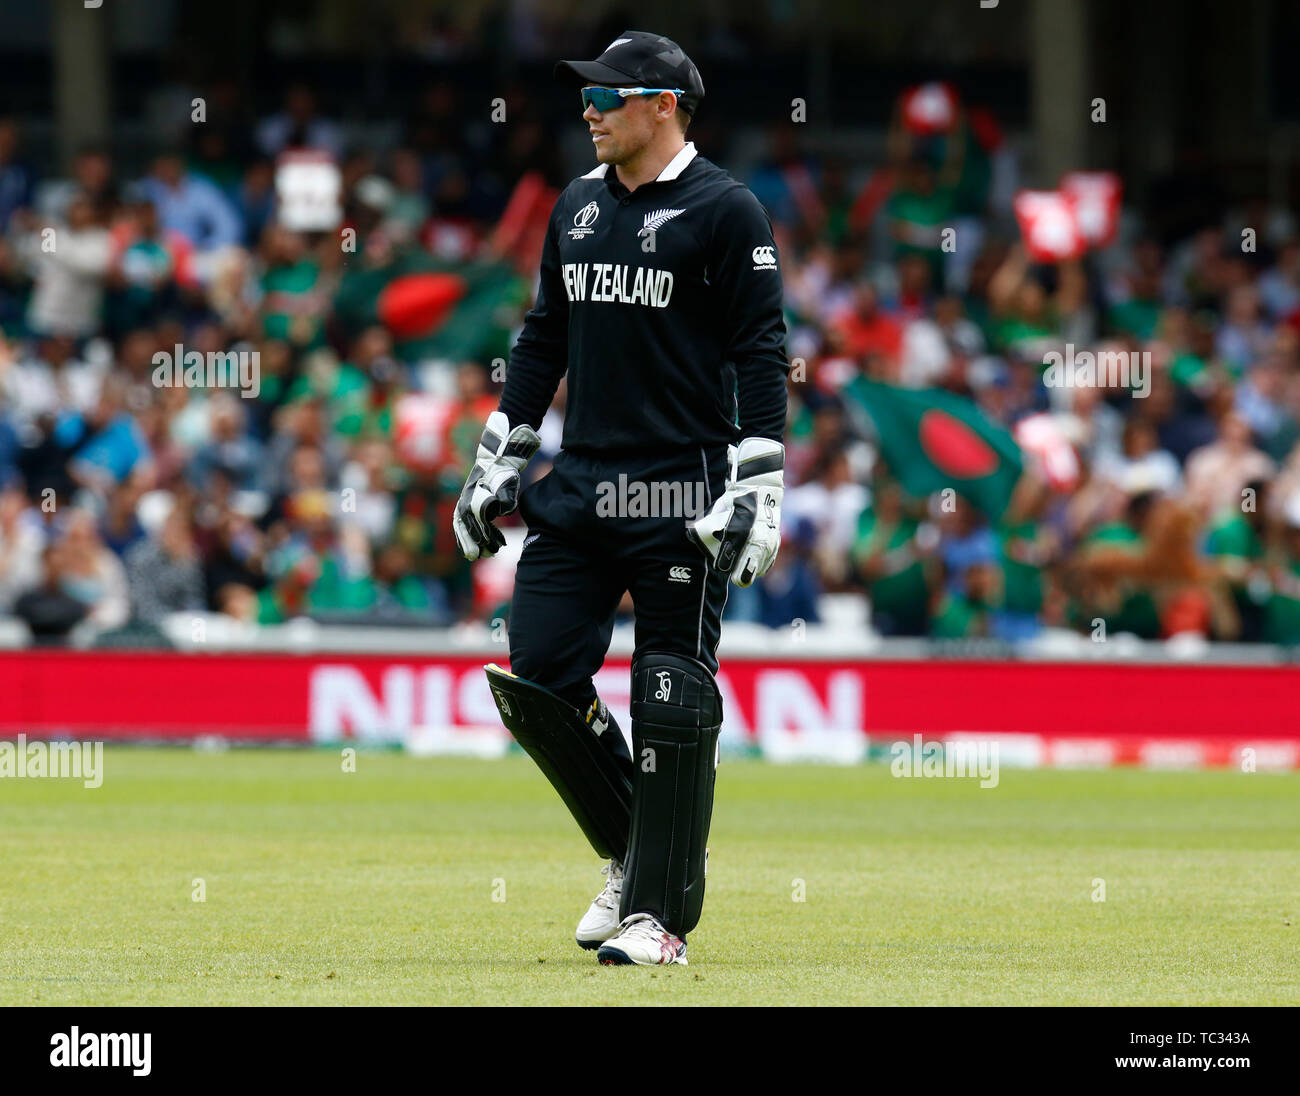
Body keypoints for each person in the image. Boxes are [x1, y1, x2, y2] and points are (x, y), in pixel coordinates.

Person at [452, 31, 788, 966]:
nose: (591, 109)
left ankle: (658, 916)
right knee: (538, 675)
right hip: (585, 481)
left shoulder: (728, 212)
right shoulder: (578, 206)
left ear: (665, 106)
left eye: (612, 95)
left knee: (670, 690)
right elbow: (543, 336)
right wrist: (500, 446)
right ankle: (635, 851)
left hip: (682, 480)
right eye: (588, 95)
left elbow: (761, 350)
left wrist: (760, 476)